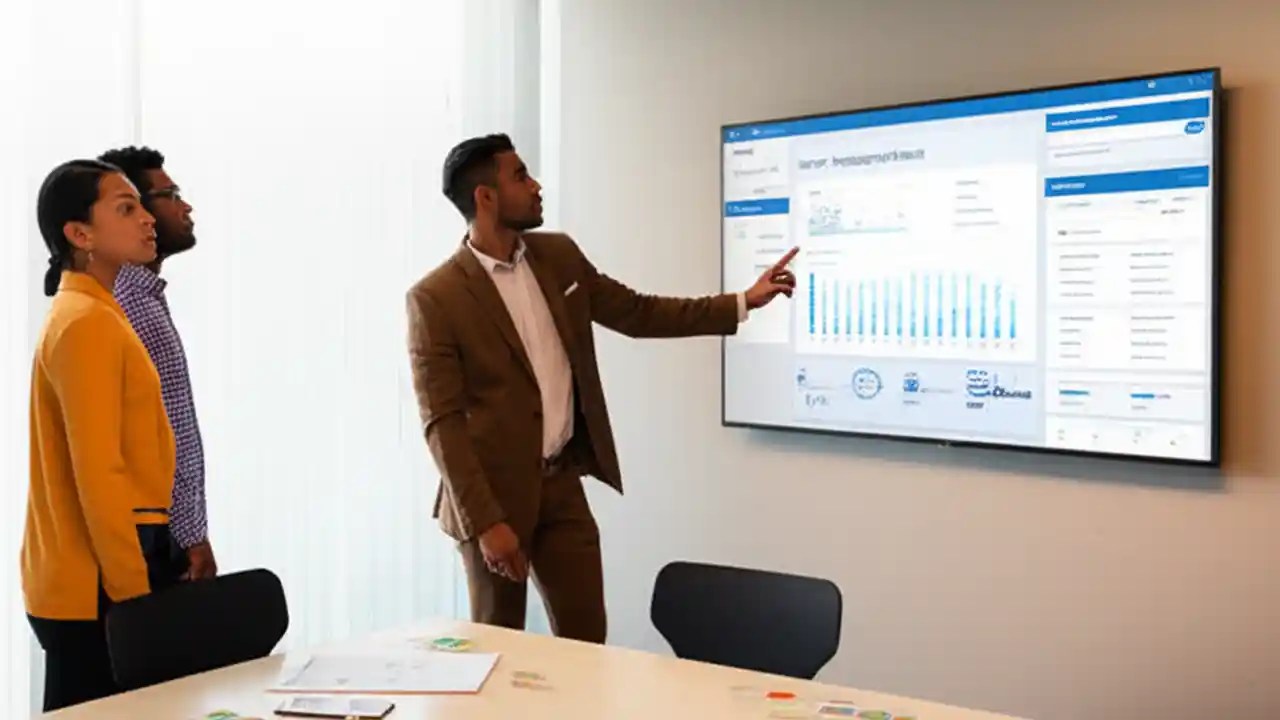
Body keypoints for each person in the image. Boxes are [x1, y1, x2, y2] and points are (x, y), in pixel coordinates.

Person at [406, 133, 797, 643]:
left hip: (561, 484)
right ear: (485, 197)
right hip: (491, 499)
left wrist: (741, 302)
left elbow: (637, 311)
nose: (535, 185)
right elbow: (442, 424)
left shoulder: (558, 256)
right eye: (520, 175)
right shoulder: (436, 298)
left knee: (588, 643)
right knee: (497, 647)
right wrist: (486, 523)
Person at [23, 159, 177, 711]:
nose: (146, 219)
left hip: (107, 568)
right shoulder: (84, 322)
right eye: (126, 208)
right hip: (96, 581)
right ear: (80, 234)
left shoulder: (96, 313)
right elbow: (99, 473)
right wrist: (135, 597)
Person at [99, 146, 216, 581]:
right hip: (149, 536)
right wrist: (190, 537)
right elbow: (159, 434)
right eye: (170, 195)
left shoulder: (143, 297)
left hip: (162, 533)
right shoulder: (126, 304)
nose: (184, 207)